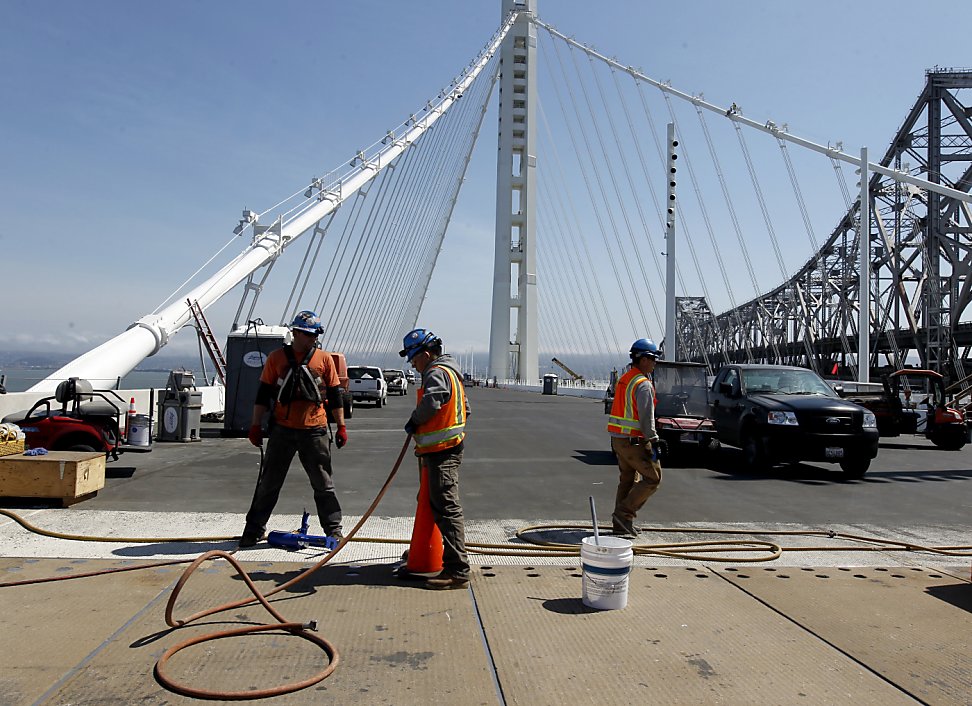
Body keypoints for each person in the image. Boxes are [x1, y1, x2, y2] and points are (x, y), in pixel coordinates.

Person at [239, 310, 348, 547]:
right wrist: (255, 425)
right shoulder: (276, 358)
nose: (313, 338)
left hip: (315, 430)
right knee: (269, 483)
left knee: (323, 484)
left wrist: (341, 426)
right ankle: (254, 529)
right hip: (282, 430)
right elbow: (263, 395)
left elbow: (335, 396)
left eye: (316, 334)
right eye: (309, 334)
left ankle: (334, 530)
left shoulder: (325, 359)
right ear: (295, 333)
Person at [400, 328, 471, 590]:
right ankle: (429, 554)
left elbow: (431, 403)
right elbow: (466, 408)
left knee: (447, 509)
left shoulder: (436, 372)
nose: (413, 364)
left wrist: (415, 420)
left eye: (414, 358)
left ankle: (457, 570)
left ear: (427, 354)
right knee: (436, 504)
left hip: (442, 452)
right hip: (442, 449)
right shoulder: (452, 373)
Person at [606, 338, 665, 537]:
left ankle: (621, 525)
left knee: (628, 480)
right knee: (653, 478)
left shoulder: (625, 378)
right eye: (653, 359)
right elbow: (646, 417)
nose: (655, 363)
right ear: (644, 359)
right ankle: (623, 515)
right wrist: (654, 440)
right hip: (635, 441)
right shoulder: (643, 384)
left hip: (618, 439)